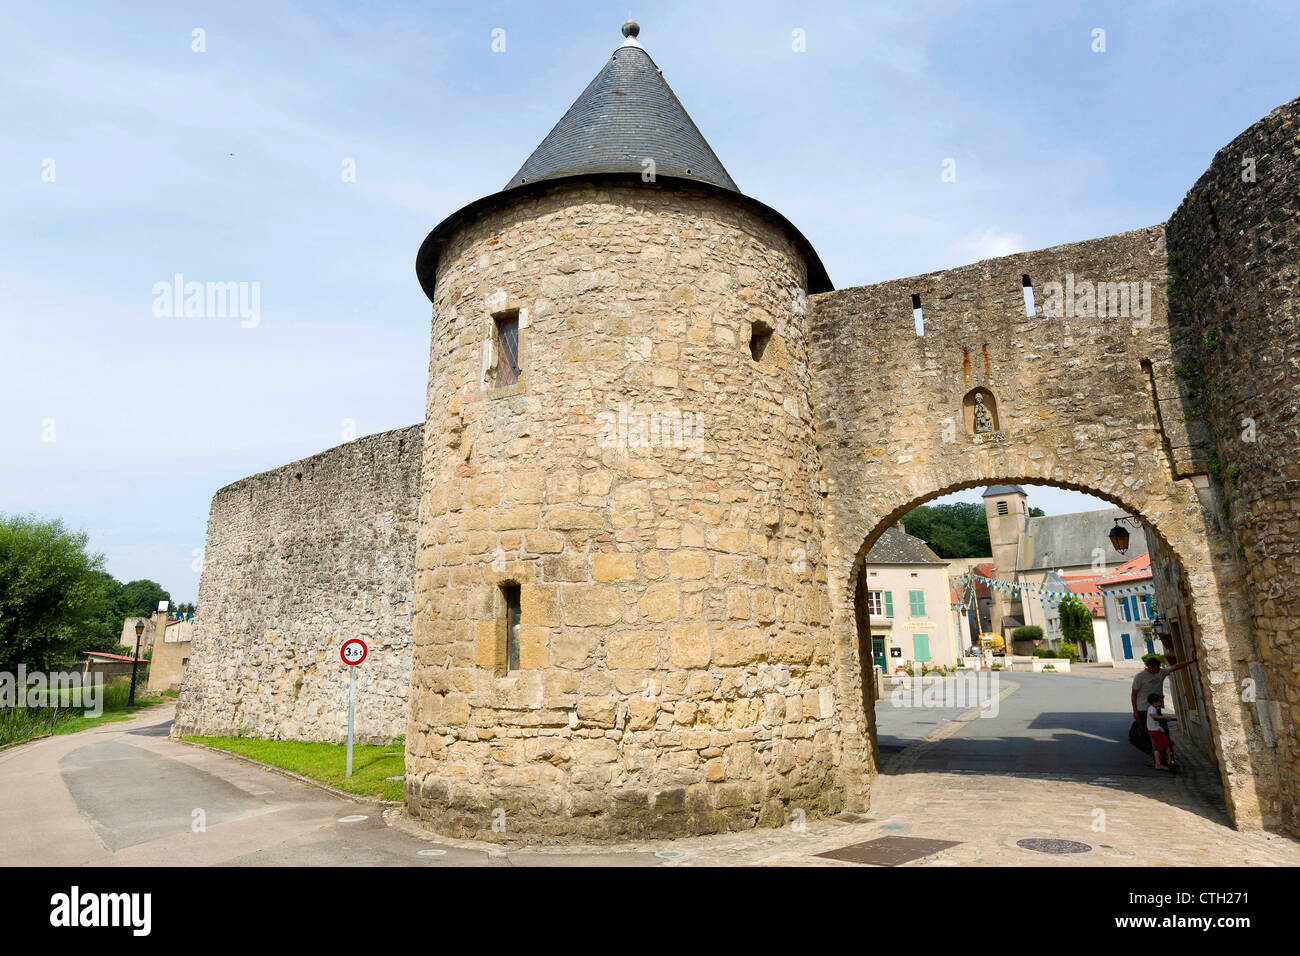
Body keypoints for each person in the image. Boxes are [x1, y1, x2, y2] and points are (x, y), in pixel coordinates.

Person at [1131, 650, 1196, 766]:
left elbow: (1175, 666)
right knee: (1146, 733)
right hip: (1142, 709)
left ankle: (1161, 756)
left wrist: (1191, 661)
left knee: (1159, 731)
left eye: (1159, 667)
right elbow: (1134, 694)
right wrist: (1135, 710)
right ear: (1149, 667)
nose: (1157, 670)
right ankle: (1152, 756)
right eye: (1155, 668)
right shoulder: (1140, 677)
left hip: (1156, 708)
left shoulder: (1161, 672)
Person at [1146, 693, 1176, 770]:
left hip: (1152, 730)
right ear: (1154, 702)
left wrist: (1164, 719)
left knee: (1158, 748)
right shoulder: (1152, 708)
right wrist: (1165, 717)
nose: (1161, 703)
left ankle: (1158, 764)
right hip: (1156, 731)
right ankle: (1170, 761)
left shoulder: (1154, 708)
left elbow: (1157, 719)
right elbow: (1153, 716)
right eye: (1160, 701)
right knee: (1170, 744)